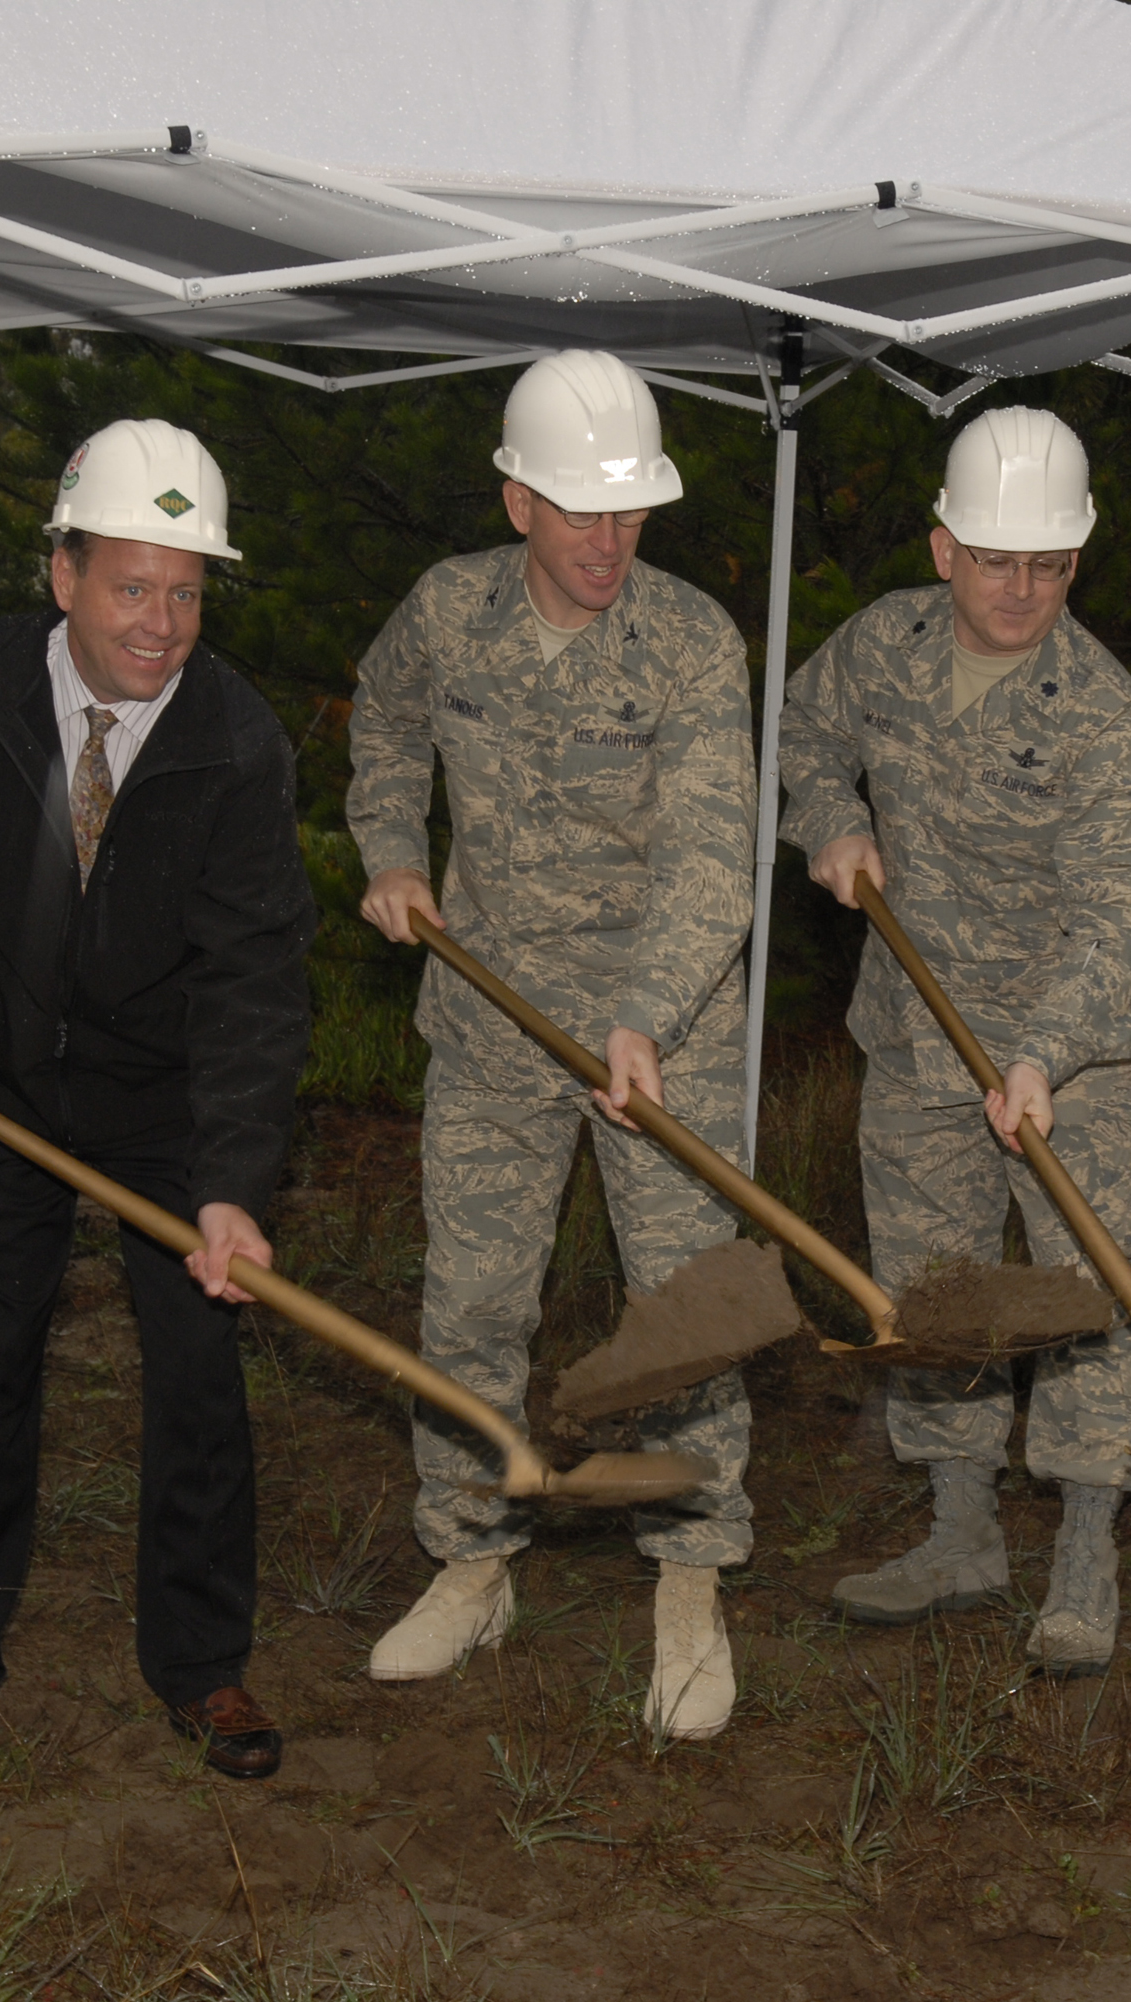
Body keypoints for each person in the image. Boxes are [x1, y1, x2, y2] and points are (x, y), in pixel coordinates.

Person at [0, 418, 316, 1780]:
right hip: (2, 1079)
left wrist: (232, 1181)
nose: (160, 623)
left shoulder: (236, 742)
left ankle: (203, 1664)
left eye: (186, 591)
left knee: (198, 1374)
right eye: (131, 586)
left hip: (164, 1100)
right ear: (63, 575)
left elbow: (254, 975)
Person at [346, 351, 757, 1740]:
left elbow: (711, 854)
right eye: (582, 508)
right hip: (489, 1021)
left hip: (661, 1034)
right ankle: (473, 1561)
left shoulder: (690, 639)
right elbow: (385, 721)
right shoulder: (445, 611)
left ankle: (690, 1580)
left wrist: (645, 1015)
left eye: (631, 511)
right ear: (518, 500)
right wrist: (392, 849)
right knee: (471, 1305)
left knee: (685, 1316)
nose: (609, 540)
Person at [778, 407, 1131, 1676]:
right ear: (944, 548)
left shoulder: (1099, 712)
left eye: (1049, 564)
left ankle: (1086, 1552)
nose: (1022, 589)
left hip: (1069, 1058)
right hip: (916, 1032)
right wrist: (830, 819)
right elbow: (799, 731)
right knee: (936, 1292)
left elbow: (1126, 919)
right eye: (997, 560)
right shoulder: (881, 645)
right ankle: (961, 1535)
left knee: (1085, 1295)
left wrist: (1044, 1053)